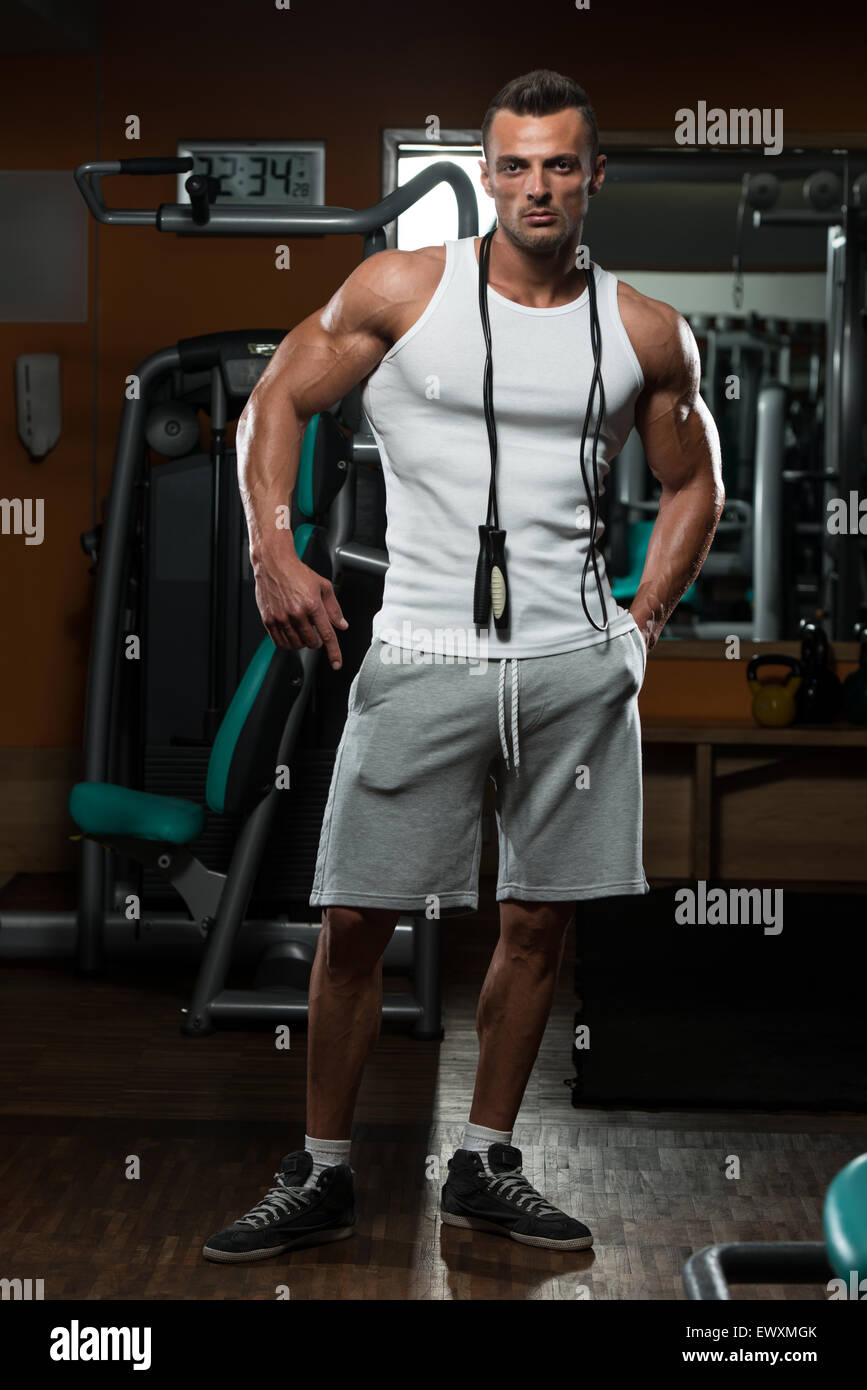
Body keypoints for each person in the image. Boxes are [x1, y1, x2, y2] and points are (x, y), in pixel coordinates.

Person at [202, 68, 723, 1263]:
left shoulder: (644, 329)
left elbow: (694, 481)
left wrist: (641, 623)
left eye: (560, 164)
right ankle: (323, 1171)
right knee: (352, 922)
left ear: (597, 177)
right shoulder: (404, 290)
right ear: (487, 174)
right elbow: (277, 399)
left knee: (538, 922)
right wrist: (270, 551)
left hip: (574, 671)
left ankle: (485, 1161)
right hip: (426, 654)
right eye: (514, 164)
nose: (536, 186)